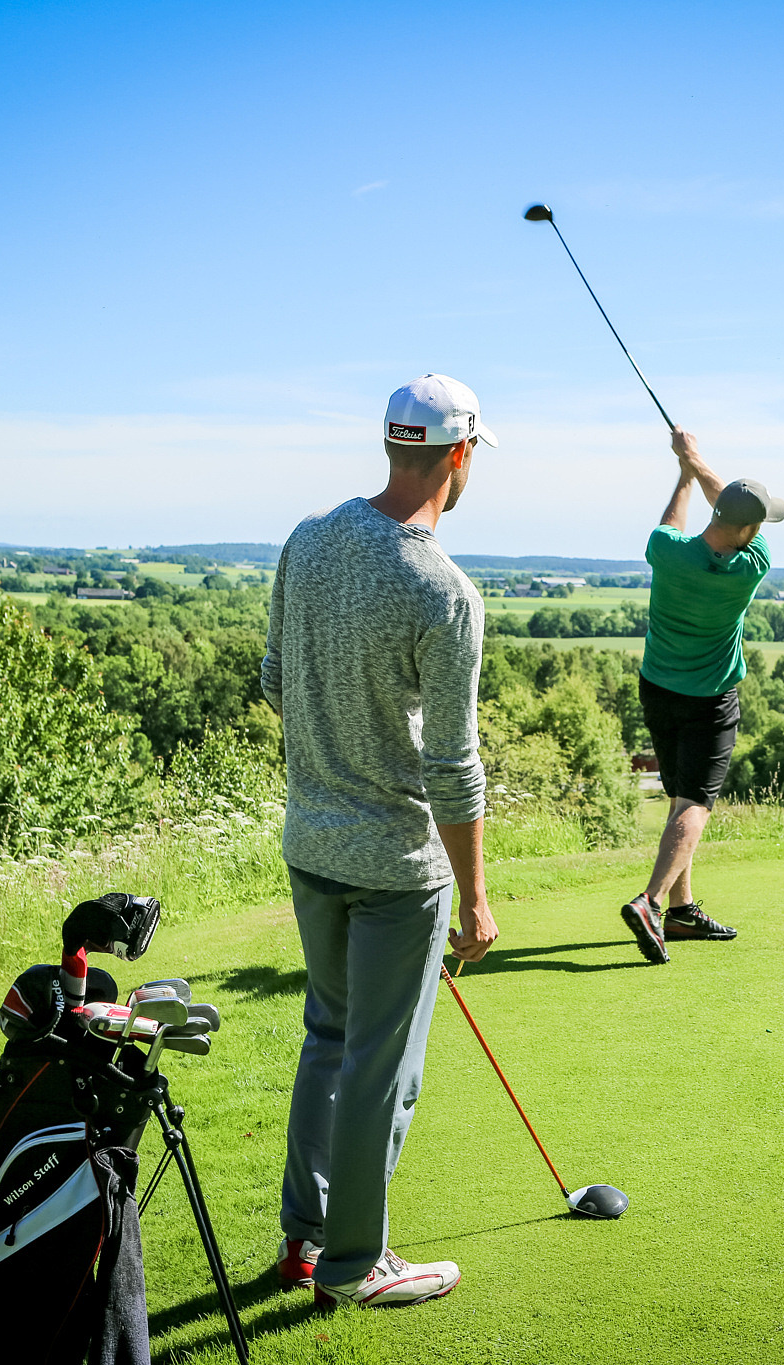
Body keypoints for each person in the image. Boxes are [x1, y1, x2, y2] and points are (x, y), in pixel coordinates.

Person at [259, 374, 500, 1309]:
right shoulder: (442, 589)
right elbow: (453, 764)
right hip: (398, 867)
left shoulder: (307, 538)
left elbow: (278, 682)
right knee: (379, 1067)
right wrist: (475, 897)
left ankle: (304, 1242)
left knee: (328, 1039)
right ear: (458, 456)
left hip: (310, 844)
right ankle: (357, 1265)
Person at [618, 428, 784, 965]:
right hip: (711, 698)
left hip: (658, 689)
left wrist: (684, 471)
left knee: (676, 795)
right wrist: (697, 462)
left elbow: (675, 522)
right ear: (751, 528)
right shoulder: (752, 564)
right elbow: (732, 513)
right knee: (695, 803)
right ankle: (650, 901)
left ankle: (682, 910)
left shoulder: (665, 552)